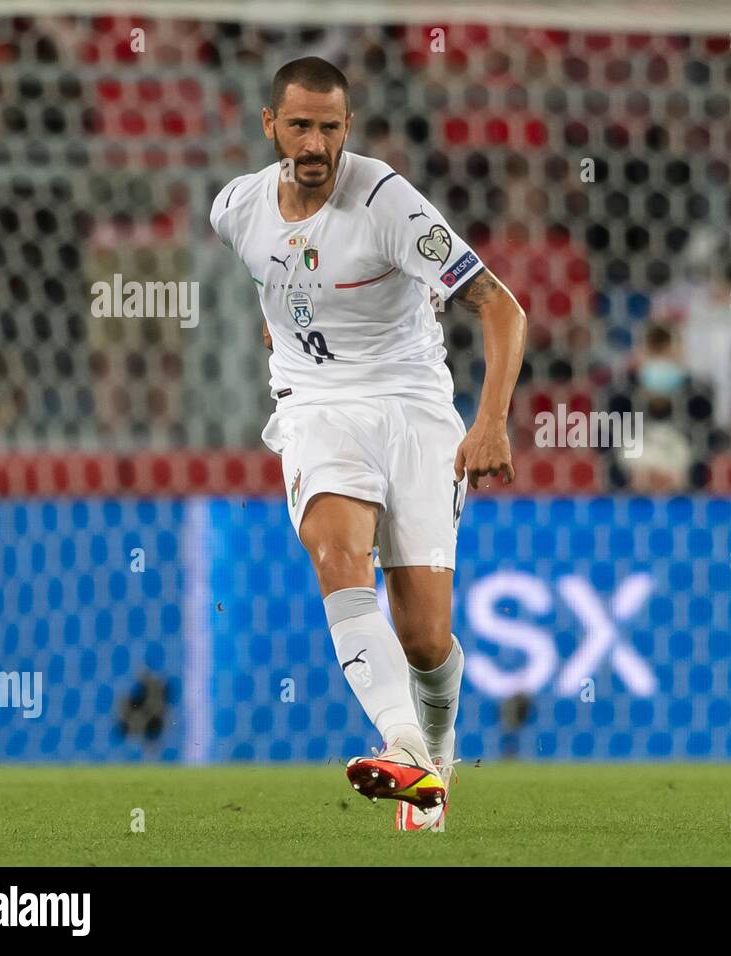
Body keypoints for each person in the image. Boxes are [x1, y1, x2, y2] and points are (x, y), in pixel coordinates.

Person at [210, 57, 526, 831]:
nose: (313, 143)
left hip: (414, 405)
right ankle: (403, 746)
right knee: (336, 553)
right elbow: (277, 282)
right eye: (298, 126)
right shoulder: (235, 207)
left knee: (425, 638)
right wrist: (284, 330)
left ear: (348, 127)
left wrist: (490, 421)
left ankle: (434, 763)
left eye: (328, 126)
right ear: (269, 126)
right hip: (317, 407)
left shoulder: (388, 202)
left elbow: (503, 309)